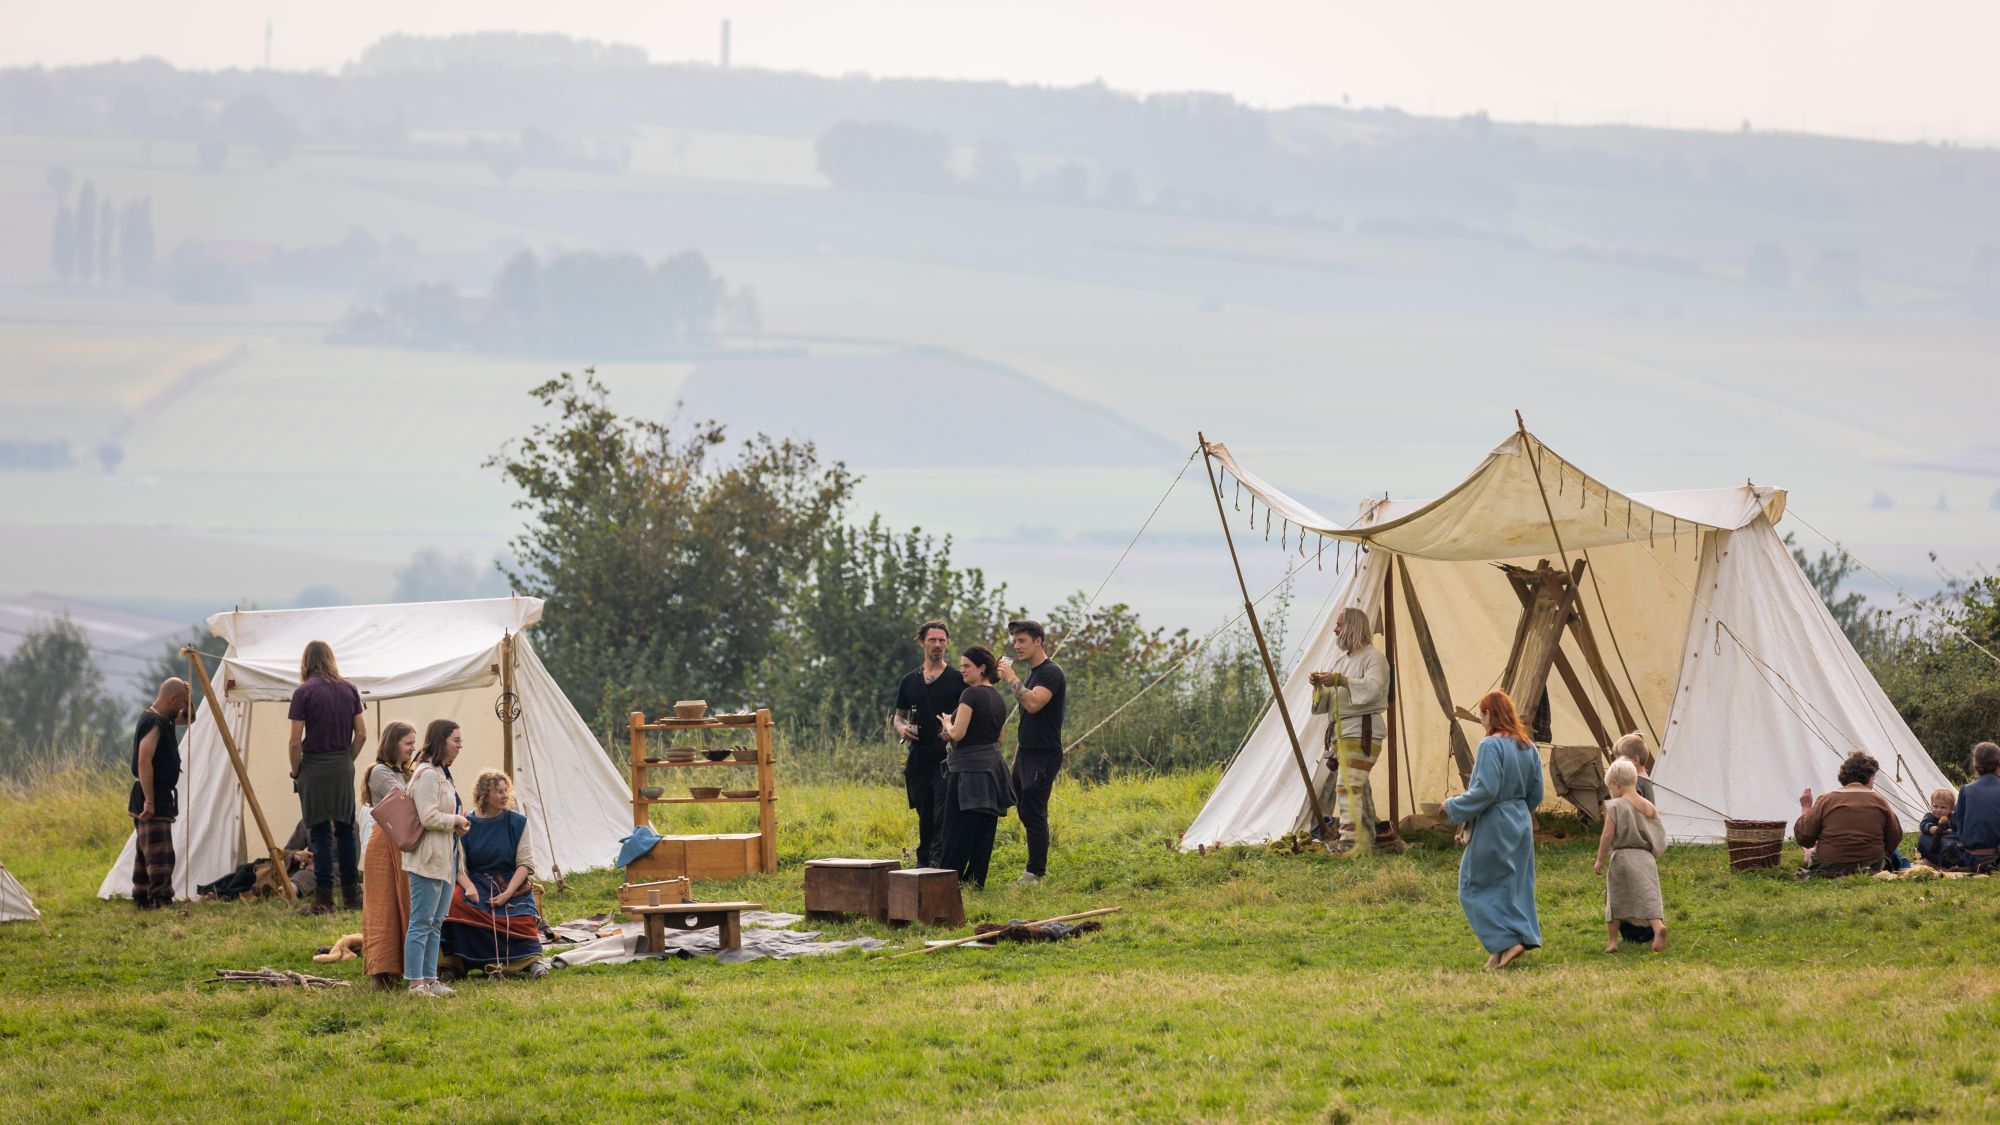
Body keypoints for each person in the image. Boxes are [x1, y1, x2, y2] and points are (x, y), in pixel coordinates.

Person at [1443, 689, 1544, 970]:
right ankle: (1507, 945)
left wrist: (1451, 807)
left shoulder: (1490, 746)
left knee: (1472, 885)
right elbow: (1537, 792)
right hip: (1520, 821)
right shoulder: (1528, 746)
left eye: (1482, 714)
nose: (1481, 719)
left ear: (1490, 715)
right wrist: (1519, 811)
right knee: (1513, 883)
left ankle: (1507, 940)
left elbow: (1485, 790)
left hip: (1495, 821)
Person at [439, 769, 546, 980]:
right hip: (475, 881)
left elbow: (524, 864)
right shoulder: (466, 823)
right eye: (498, 791)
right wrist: (468, 887)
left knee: (520, 915)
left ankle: (531, 961)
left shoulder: (517, 822)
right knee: (452, 904)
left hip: (509, 882)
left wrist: (507, 893)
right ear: (485, 794)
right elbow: (457, 864)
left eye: (506, 790)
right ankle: (454, 963)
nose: (505, 795)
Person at [287, 640, 367, 914]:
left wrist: (296, 771)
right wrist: (347, 759)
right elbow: (362, 734)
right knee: (345, 831)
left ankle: (323, 901)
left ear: (306, 662)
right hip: (342, 766)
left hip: (314, 768)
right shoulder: (349, 689)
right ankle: (352, 897)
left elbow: (295, 742)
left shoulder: (303, 692)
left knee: (320, 833)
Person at [1306, 606, 1390, 855]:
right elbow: (1330, 702)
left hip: (1362, 732)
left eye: (1339, 625)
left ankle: (1351, 844)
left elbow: (1374, 689)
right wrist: (1320, 685)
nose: (1335, 630)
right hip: (1343, 734)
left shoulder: (1374, 658)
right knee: (1359, 788)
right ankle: (1370, 840)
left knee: (1348, 787)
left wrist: (1340, 680)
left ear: (1352, 626)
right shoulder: (1343, 661)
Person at [935, 645, 1015, 890]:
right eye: (961, 665)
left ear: (982, 668)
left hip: (968, 773)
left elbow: (958, 732)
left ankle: (948, 881)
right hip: (991, 770)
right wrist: (954, 733)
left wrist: (948, 724)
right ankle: (975, 882)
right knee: (983, 829)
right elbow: (998, 738)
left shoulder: (970, 695)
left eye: (967, 666)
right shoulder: (998, 698)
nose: (962, 670)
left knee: (956, 829)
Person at [892, 619, 965, 866]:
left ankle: (936, 865)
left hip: (946, 758)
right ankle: (924, 862)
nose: (937, 645)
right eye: (932, 640)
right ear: (922, 642)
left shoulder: (957, 679)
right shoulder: (909, 680)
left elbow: (969, 713)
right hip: (918, 758)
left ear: (947, 644)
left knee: (942, 814)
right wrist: (902, 728)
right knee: (924, 812)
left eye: (941, 640)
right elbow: (899, 715)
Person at [405, 720, 469, 997]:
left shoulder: (443, 774)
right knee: (421, 920)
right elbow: (428, 816)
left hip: (446, 856)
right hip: (427, 858)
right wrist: (455, 819)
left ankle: (430, 978)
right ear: (441, 740)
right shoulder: (428, 774)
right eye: (456, 740)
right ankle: (415, 982)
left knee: (436, 920)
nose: (460, 745)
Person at [998, 619, 1065, 885]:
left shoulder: (1051, 672)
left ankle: (1035, 872)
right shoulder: (1032, 672)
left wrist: (1011, 678)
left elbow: (1034, 703)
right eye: (1015, 641)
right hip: (1025, 752)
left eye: (1022, 640)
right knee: (1023, 809)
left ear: (1038, 641)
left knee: (1035, 812)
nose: (1017, 646)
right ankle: (1033, 868)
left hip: (1044, 754)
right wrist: (1017, 755)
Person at [360, 721, 417, 988]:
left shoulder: (405, 772)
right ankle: (380, 971)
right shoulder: (380, 772)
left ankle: (405, 966)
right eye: (408, 743)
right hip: (385, 845)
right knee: (383, 908)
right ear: (393, 743)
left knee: (403, 903)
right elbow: (405, 801)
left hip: (402, 845)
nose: (412, 749)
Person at [128, 677, 191, 909]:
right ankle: (160, 899)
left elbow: (190, 719)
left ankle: (143, 898)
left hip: (157, 794)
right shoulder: (154, 721)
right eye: (181, 702)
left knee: (147, 850)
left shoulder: (164, 718)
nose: (183, 708)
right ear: (172, 699)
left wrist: (189, 696)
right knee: (159, 853)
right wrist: (150, 801)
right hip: (151, 793)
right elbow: (144, 762)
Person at [1793, 751, 1904, 878]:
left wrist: (1806, 807)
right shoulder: (1880, 801)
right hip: (1872, 866)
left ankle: (1809, 856)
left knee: (1812, 853)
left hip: (1828, 867)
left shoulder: (1826, 800)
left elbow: (1805, 837)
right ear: (1869, 778)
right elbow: (1894, 838)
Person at [1595, 759, 1667, 954]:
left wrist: (1600, 859)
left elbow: (1608, 834)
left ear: (1616, 784)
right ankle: (1657, 926)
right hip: (1645, 857)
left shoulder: (1615, 806)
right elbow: (1659, 833)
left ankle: (1612, 941)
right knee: (1648, 895)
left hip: (1622, 856)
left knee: (1615, 899)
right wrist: (1654, 852)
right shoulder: (1649, 806)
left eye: (1610, 787)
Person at [1949, 742, 2000, 871]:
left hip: (1972, 858)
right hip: (1995, 856)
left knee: (1925, 840)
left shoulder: (1966, 790)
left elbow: (1958, 827)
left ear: (1975, 764)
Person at [1916, 787, 1958, 868]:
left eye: (1943, 807)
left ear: (1951, 809)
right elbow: (1923, 824)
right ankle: (1931, 859)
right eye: (1935, 806)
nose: (1938, 810)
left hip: (1948, 844)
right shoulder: (1930, 816)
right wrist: (1931, 828)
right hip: (1935, 844)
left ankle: (1948, 860)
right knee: (1925, 841)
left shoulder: (1953, 818)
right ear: (1931, 805)